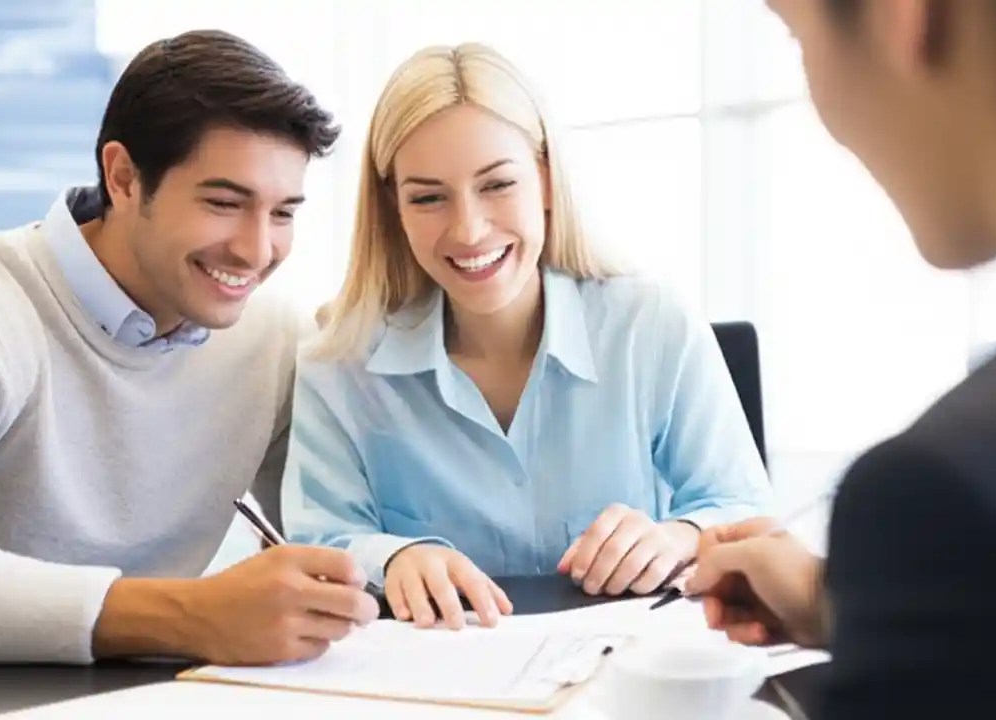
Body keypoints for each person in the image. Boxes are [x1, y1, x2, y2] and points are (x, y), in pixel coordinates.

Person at [0, 29, 379, 666]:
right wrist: (190, 615)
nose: (255, 250)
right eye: (223, 203)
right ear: (123, 177)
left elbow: (336, 533)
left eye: (283, 214)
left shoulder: (273, 340)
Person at [686, 0, 996, 716]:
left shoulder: (952, 490)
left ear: (901, 14)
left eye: (796, 32)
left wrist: (921, 574)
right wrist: (858, 603)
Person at [281, 43, 770, 630]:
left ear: (543, 178)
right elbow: (321, 540)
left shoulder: (648, 322)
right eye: (429, 197)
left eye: (497, 185)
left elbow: (744, 509)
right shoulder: (337, 363)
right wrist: (395, 556)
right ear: (394, 207)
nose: (469, 229)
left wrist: (681, 535)